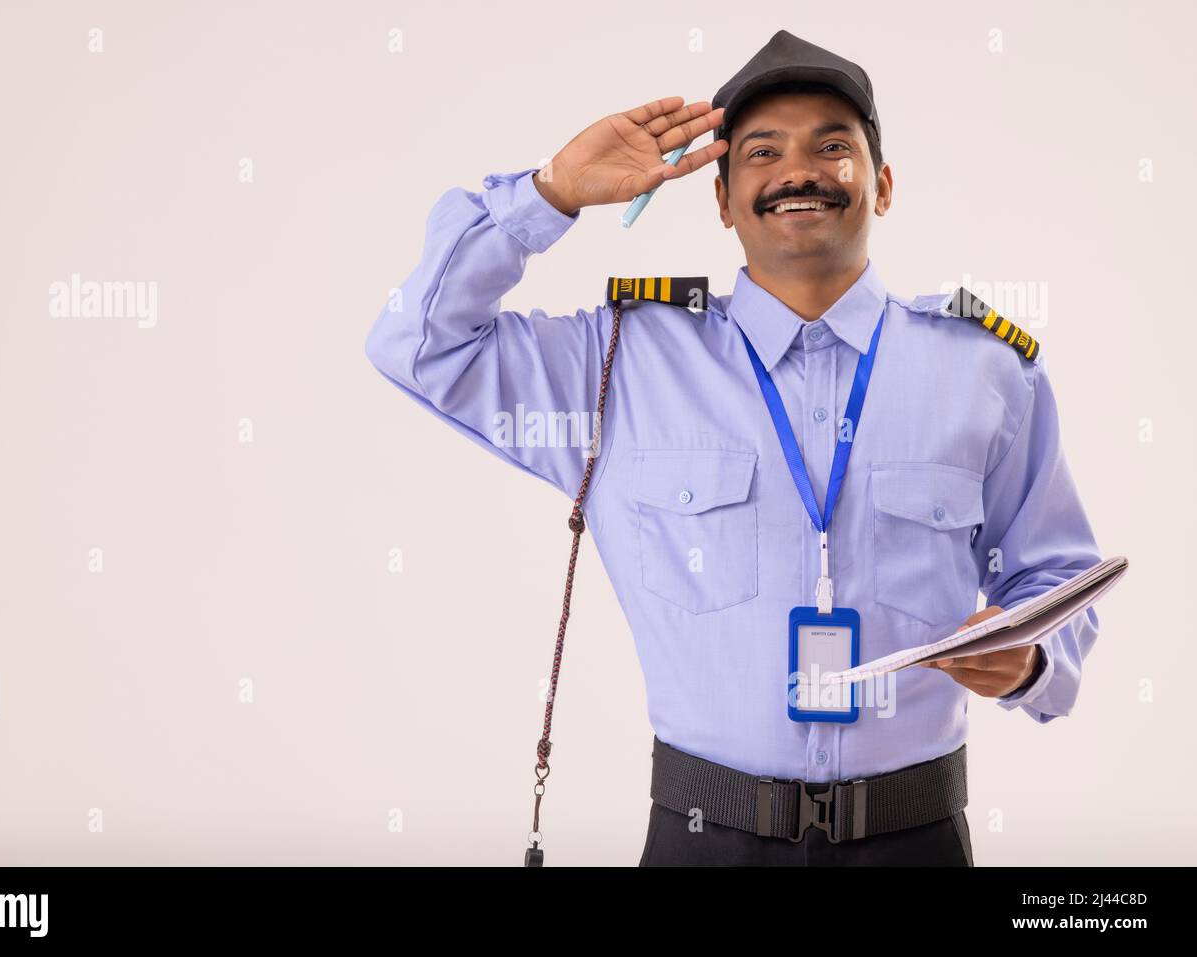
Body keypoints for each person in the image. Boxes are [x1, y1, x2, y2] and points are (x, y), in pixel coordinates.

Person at [364, 29, 1102, 866]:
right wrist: (550, 193)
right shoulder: (617, 364)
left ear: (883, 185)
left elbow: (1058, 576)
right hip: (700, 837)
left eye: (834, 145)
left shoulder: (986, 369)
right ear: (720, 200)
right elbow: (419, 345)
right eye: (761, 150)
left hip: (918, 835)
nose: (800, 170)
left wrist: (1033, 656)